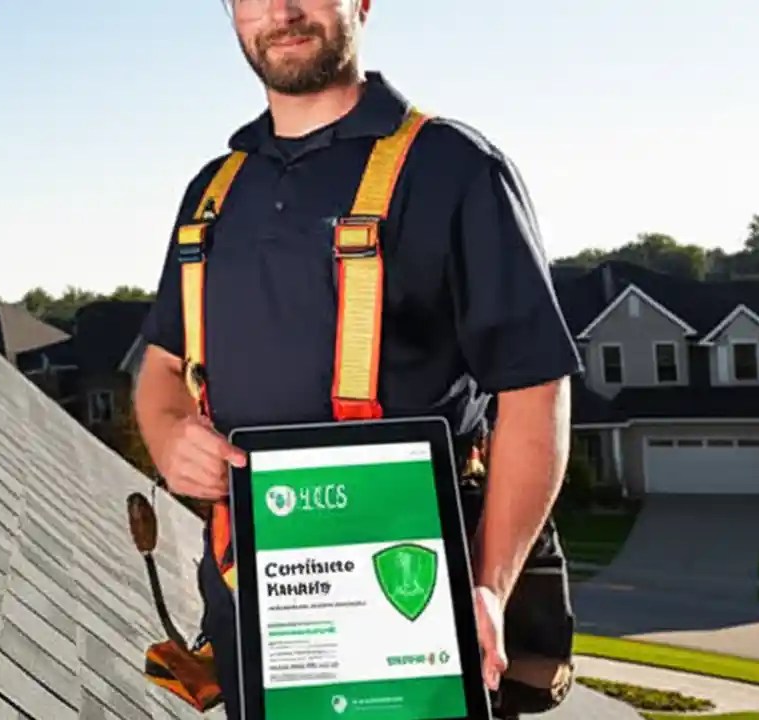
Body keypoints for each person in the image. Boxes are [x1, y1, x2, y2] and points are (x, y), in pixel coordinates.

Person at [132, 0, 582, 717]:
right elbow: (161, 366)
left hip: (417, 606)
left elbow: (535, 391)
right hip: (255, 603)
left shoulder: (456, 170)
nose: (281, 11)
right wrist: (166, 438)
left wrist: (489, 587)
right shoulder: (214, 192)